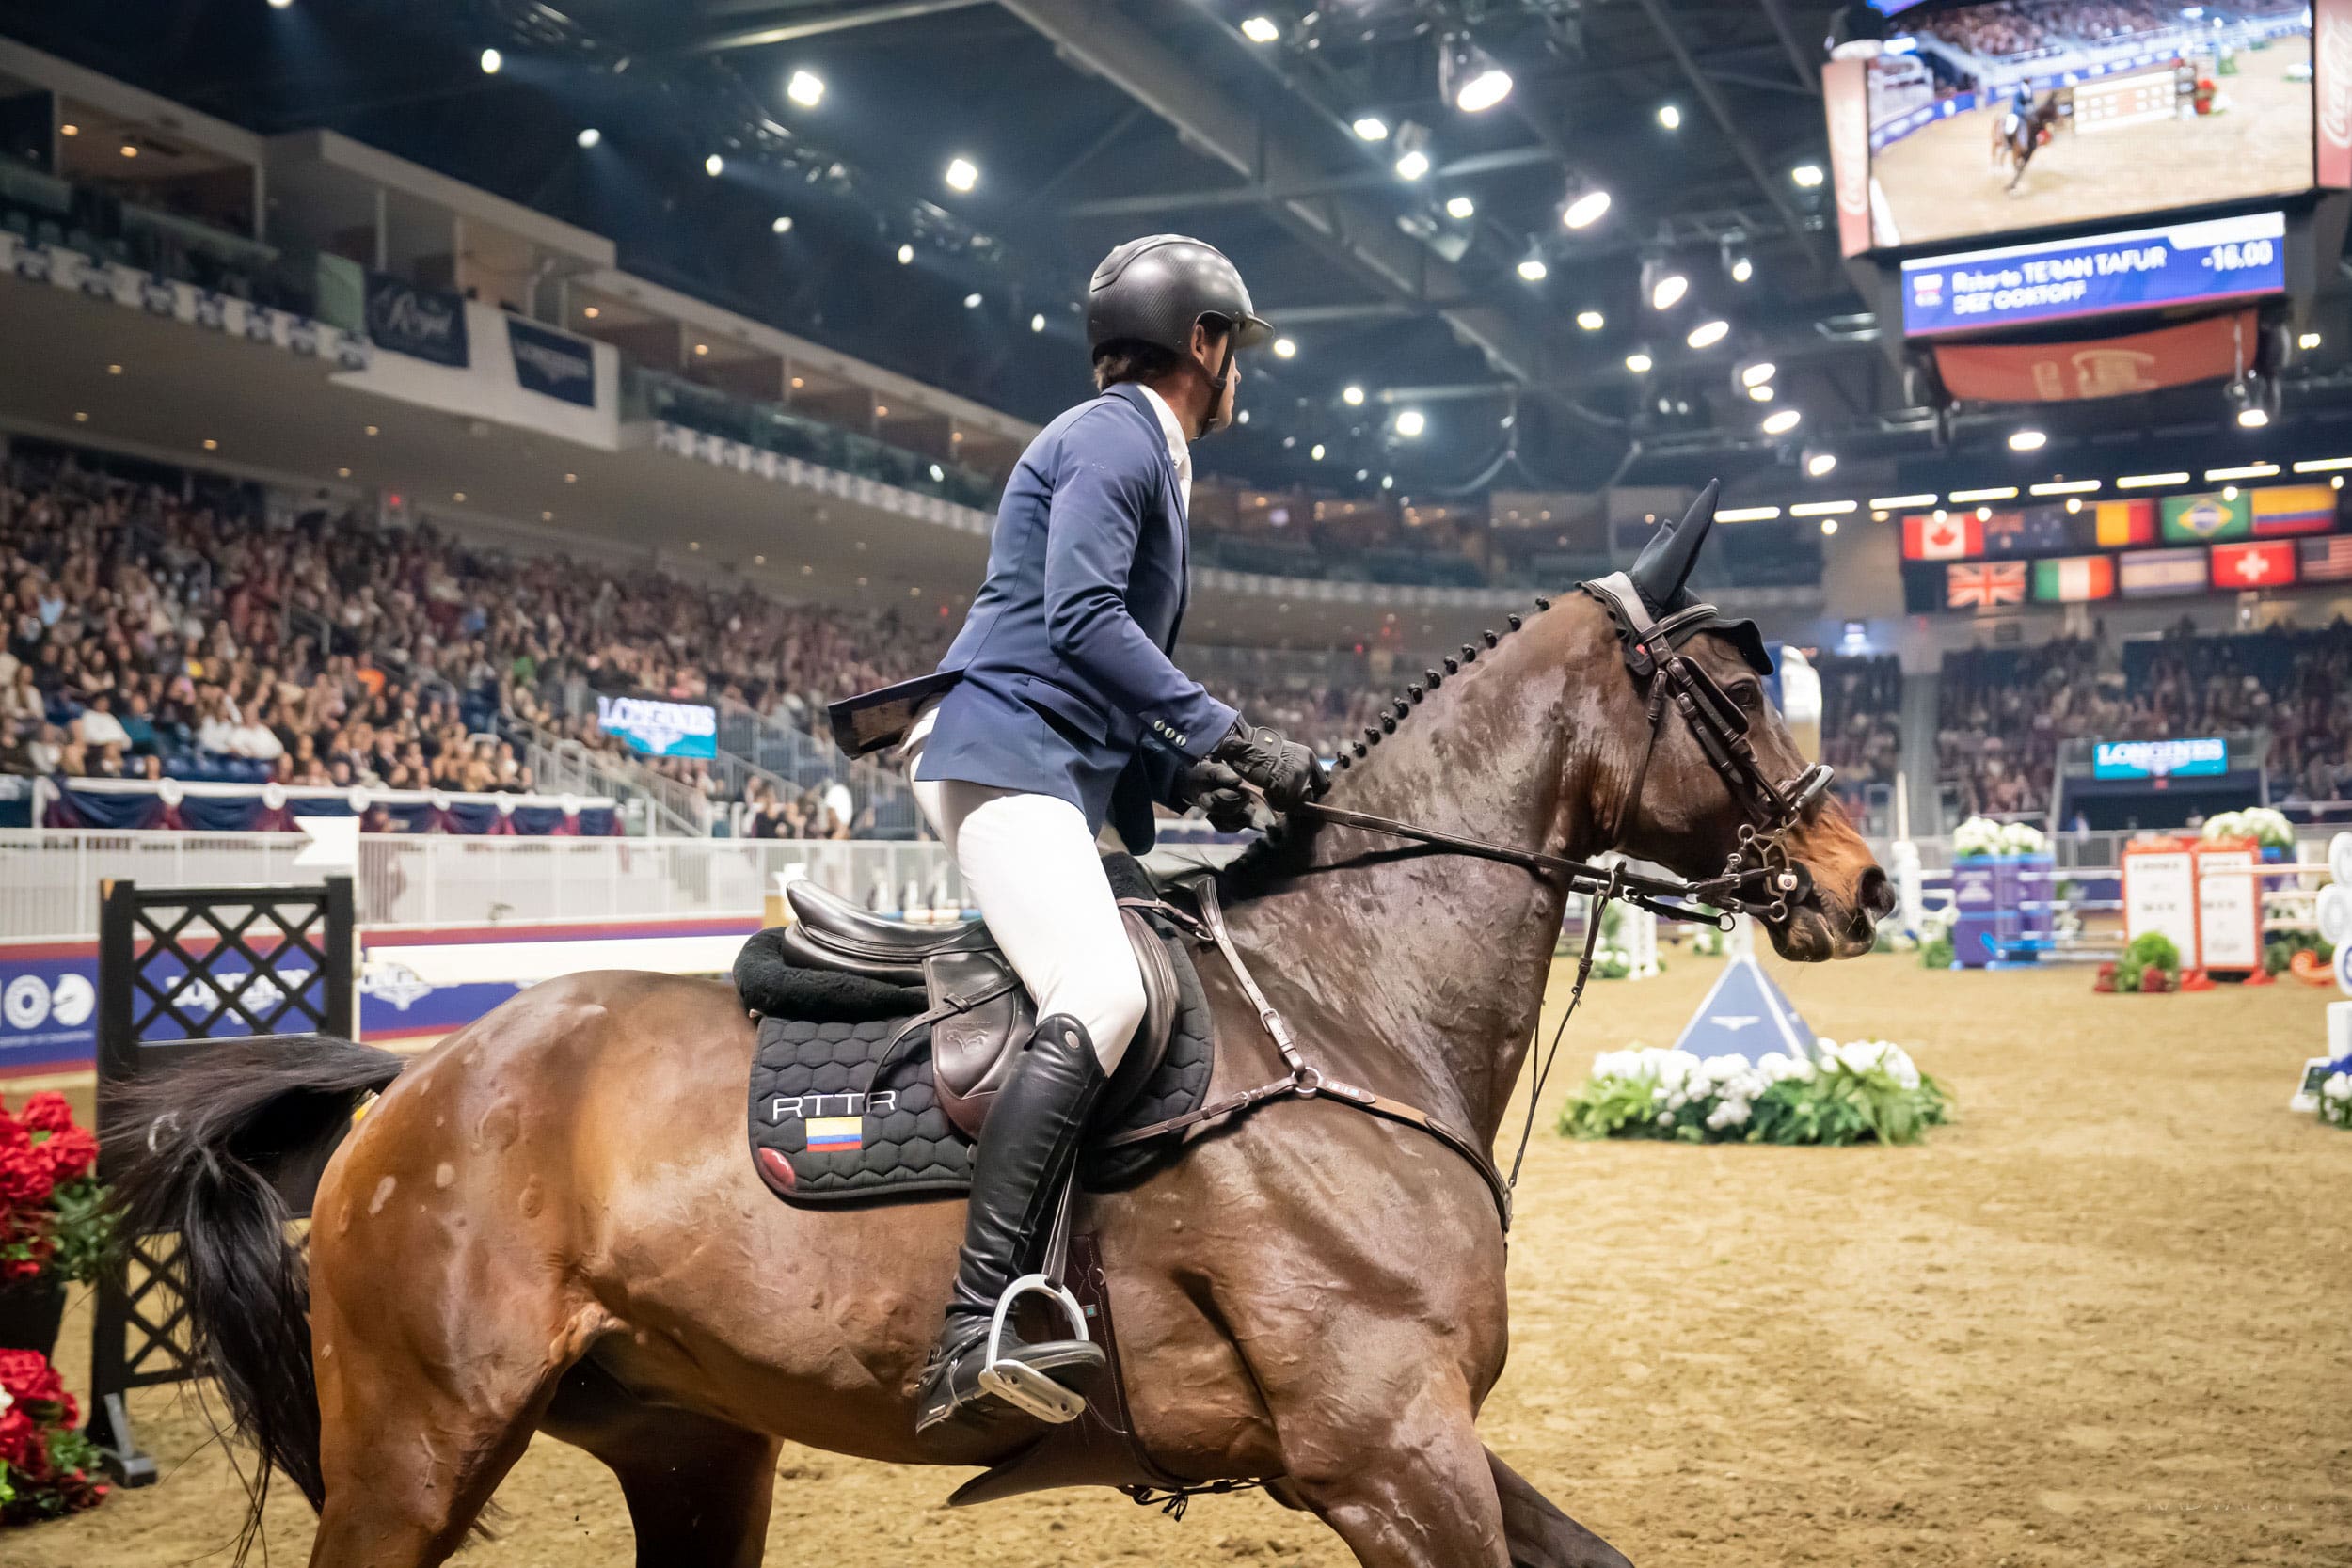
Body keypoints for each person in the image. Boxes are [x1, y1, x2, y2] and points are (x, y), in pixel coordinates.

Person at [845, 234, 1326, 1437]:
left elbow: (1095, 674)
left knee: (1154, 962)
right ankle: (974, 1321)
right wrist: (1229, 730)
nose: (1238, 376)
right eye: (1235, 349)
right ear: (1204, 342)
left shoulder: (1135, 449)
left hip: (1045, 755)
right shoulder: (1116, 435)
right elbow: (1082, 616)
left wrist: (1190, 773)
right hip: (1002, 755)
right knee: (1102, 988)